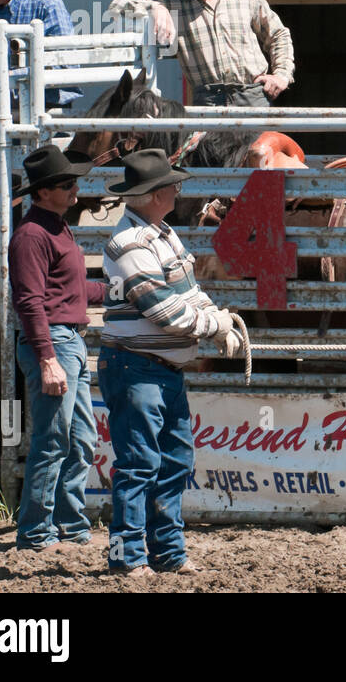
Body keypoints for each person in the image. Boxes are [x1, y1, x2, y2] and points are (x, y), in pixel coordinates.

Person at [99, 149, 241, 576]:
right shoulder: (130, 244)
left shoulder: (161, 235)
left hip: (154, 367)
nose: (179, 191)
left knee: (174, 460)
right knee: (141, 462)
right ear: (156, 193)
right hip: (136, 366)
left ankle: (168, 553)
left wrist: (215, 315)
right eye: (173, 185)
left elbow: (188, 292)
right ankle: (129, 557)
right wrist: (213, 325)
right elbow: (164, 312)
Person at [7, 144, 106, 552]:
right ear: (43, 191)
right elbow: (29, 301)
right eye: (67, 185)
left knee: (79, 440)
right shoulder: (32, 235)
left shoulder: (54, 228)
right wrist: (48, 358)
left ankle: (68, 525)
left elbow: (69, 290)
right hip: (55, 343)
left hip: (67, 342)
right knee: (53, 441)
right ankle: (35, 532)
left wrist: (119, 290)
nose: (76, 191)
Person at [109, 0, 295, 108]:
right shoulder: (173, 1)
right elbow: (118, 5)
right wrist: (155, 7)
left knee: (266, 142)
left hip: (253, 95)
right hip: (208, 100)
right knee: (199, 142)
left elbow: (278, 34)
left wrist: (281, 75)